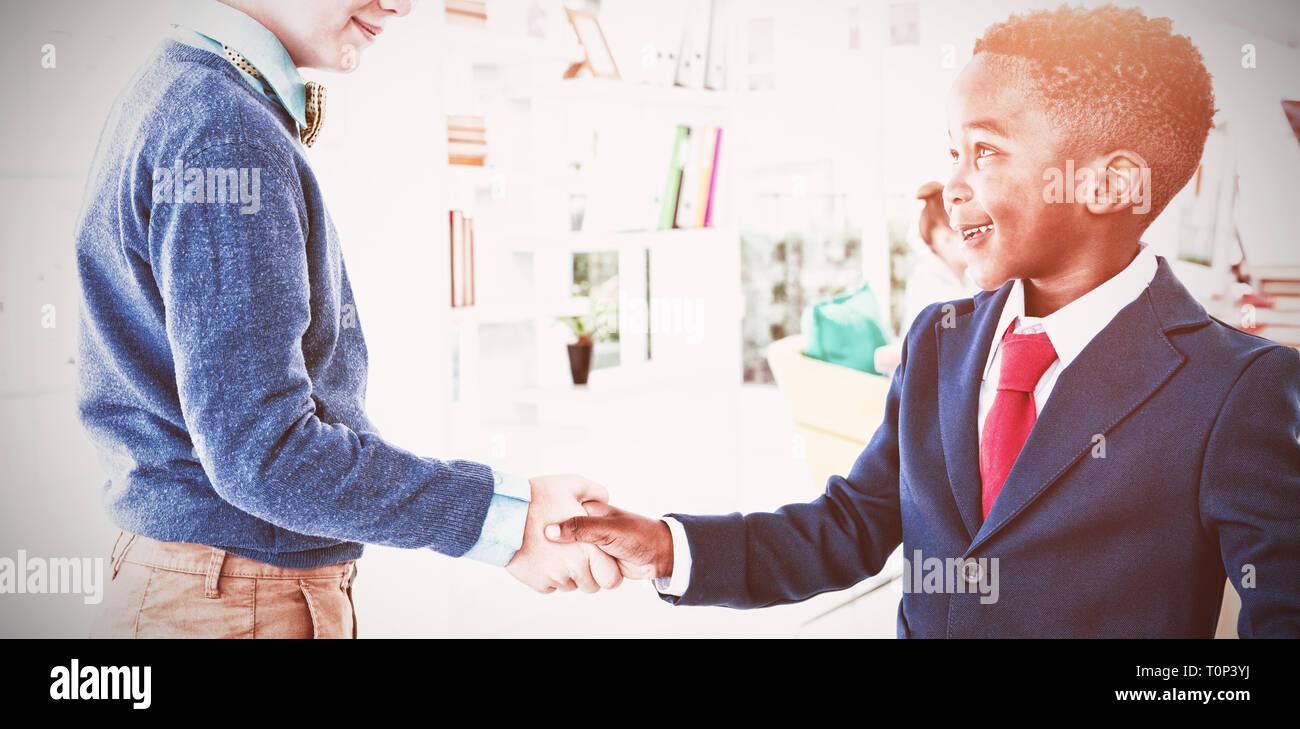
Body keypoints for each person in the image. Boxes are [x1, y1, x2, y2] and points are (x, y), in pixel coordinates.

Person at [545, 4, 1300, 637]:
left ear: (1109, 183)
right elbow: (849, 525)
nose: (952, 182)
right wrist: (666, 545)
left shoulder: (1238, 389)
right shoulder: (939, 339)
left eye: (985, 151)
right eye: (952, 151)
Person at [77, 0, 618, 639]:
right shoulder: (222, 129)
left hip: (212, 585)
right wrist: (506, 520)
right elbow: (264, 454)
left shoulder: (186, 94)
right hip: (231, 597)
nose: (399, 4)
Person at [901, 181, 980, 332]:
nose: (975, 238)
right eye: (966, 232)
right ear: (945, 239)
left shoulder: (966, 281)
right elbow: (955, 336)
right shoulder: (928, 285)